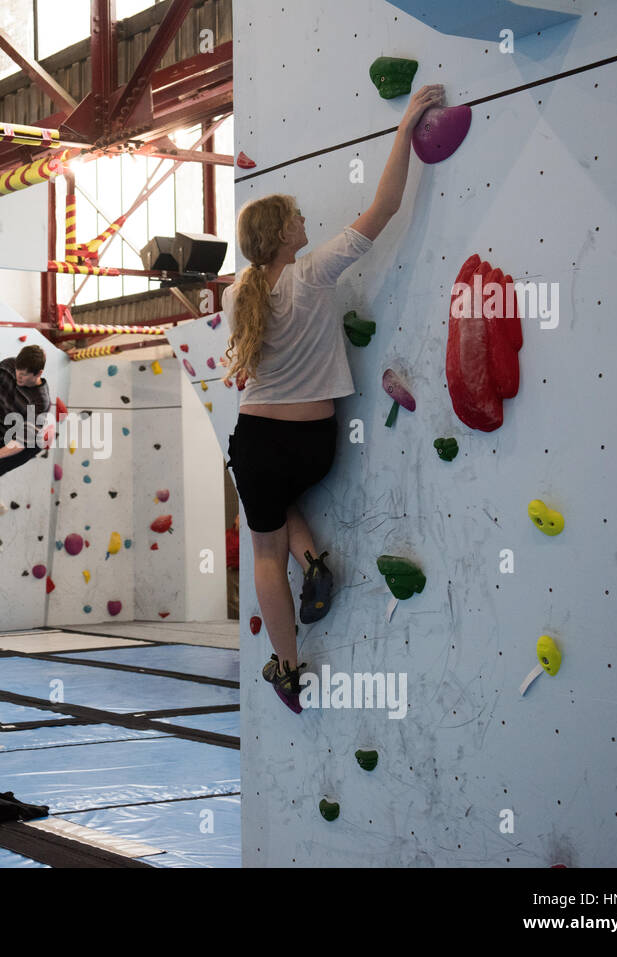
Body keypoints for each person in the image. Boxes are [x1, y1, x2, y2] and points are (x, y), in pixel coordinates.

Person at [222, 84, 444, 714]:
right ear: (282, 236)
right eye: (295, 218)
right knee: (275, 497)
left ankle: (287, 667)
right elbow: (388, 203)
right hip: (316, 445)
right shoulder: (316, 272)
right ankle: (311, 556)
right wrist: (404, 129)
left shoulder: (241, 295)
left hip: (259, 439)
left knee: (261, 539)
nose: (304, 221)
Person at [0, 345, 50, 571]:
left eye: (24, 375)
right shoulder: (10, 367)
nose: (18, 377)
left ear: (38, 374)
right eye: (17, 372)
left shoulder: (40, 402)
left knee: (38, 441)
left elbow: (20, 442)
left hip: (7, 445)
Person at [225, 514, 240, 619]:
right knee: (231, 598)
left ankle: (246, 616)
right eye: (239, 518)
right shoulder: (227, 534)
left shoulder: (245, 537)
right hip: (230, 570)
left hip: (242, 570)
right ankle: (244, 615)